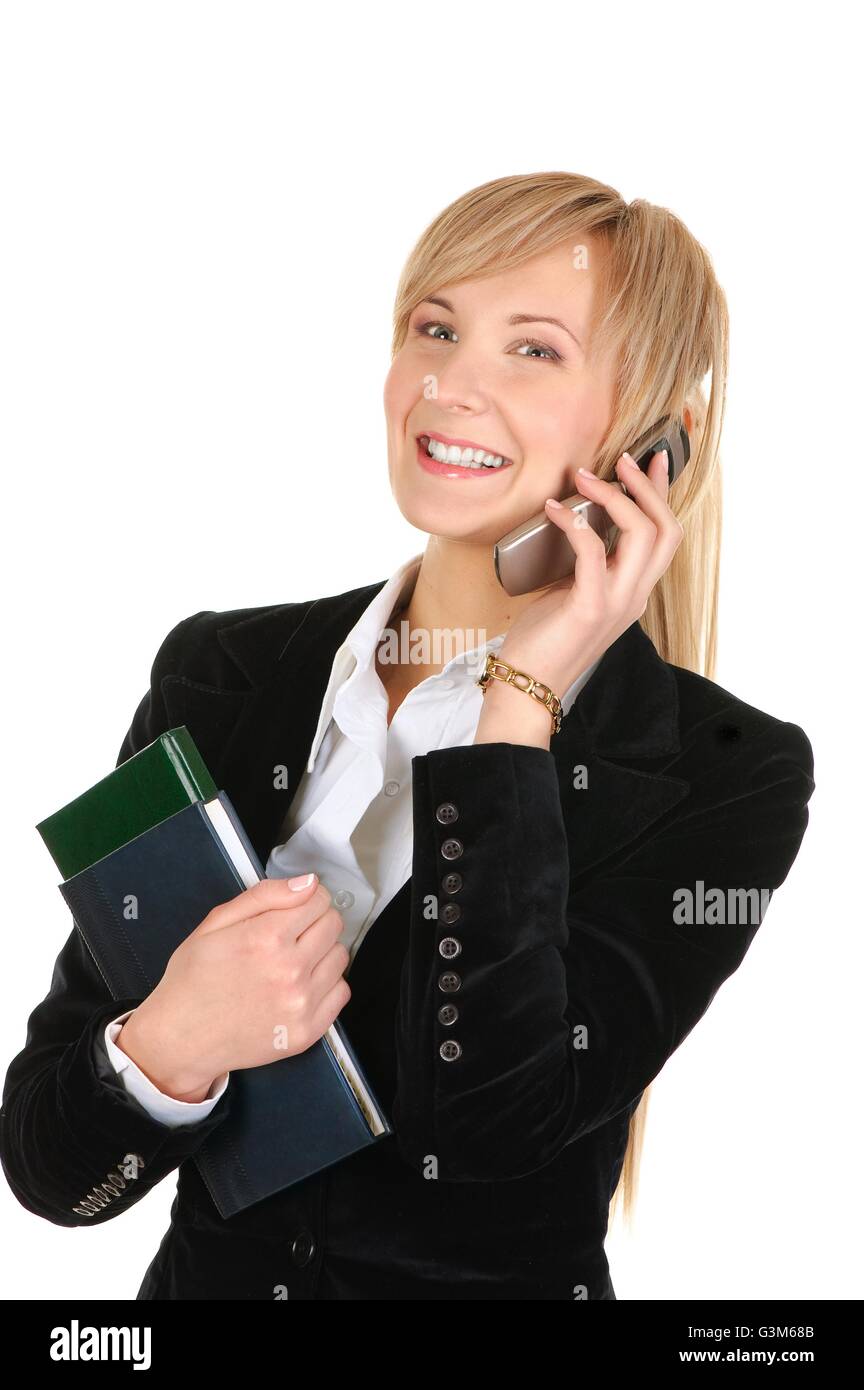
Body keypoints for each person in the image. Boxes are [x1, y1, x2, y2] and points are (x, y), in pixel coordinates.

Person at [0, 171, 815, 1300]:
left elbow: (492, 1125)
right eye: (434, 328)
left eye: (533, 350)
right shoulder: (220, 674)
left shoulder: (716, 772)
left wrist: (516, 709)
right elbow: (51, 1168)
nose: (449, 383)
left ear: (650, 444)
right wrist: (173, 1042)